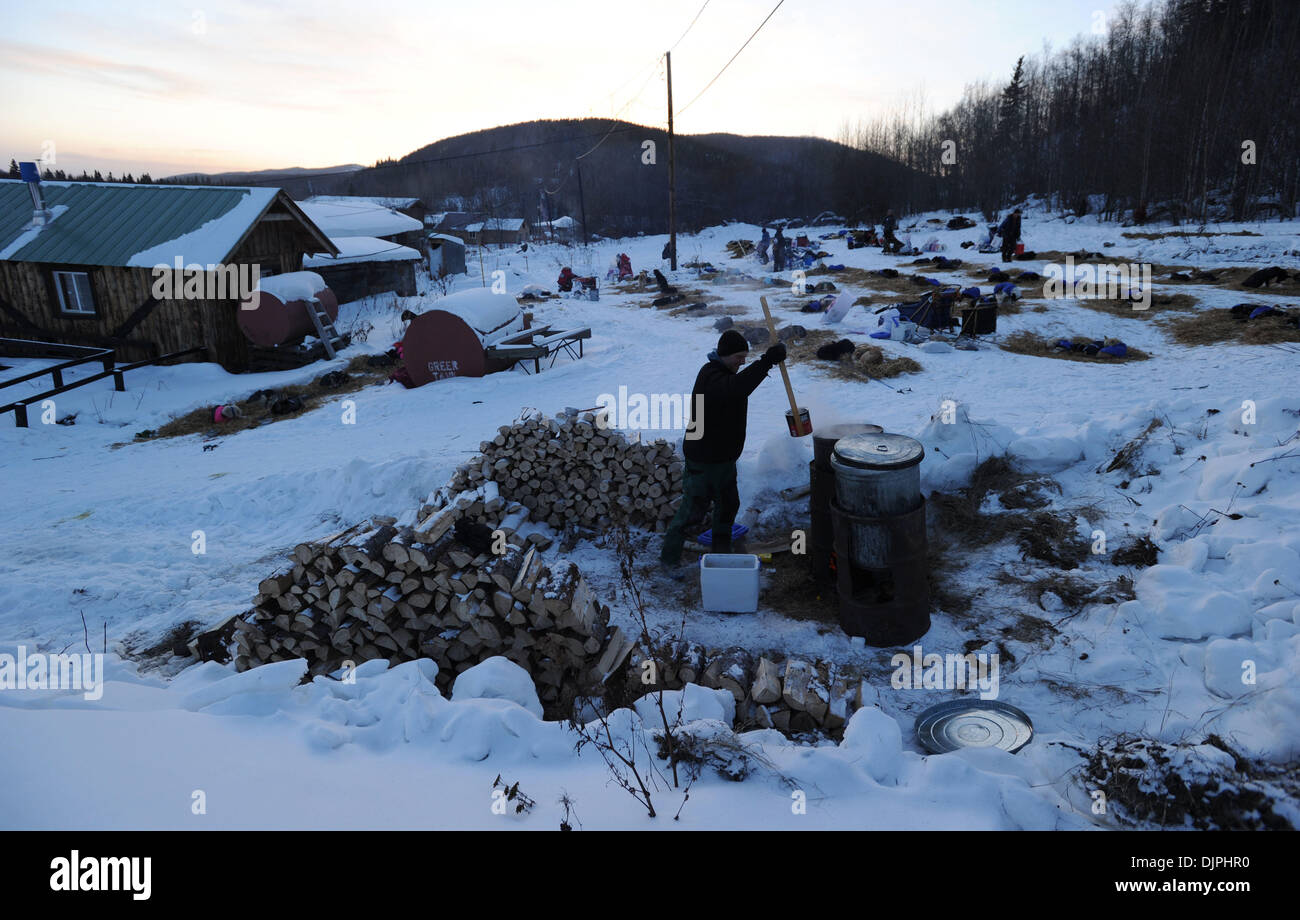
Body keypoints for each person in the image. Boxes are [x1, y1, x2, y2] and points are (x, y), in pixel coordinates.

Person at [660, 330, 787, 570]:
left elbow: (738, 387)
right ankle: (669, 559)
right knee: (691, 513)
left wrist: (764, 363)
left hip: (724, 460)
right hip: (703, 461)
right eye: (739, 357)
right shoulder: (710, 375)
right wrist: (766, 361)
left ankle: (721, 552)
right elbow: (736, 388)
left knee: (728, 506)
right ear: (724, 355)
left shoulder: (726, 374)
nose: (743, 362)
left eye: (745, 356)